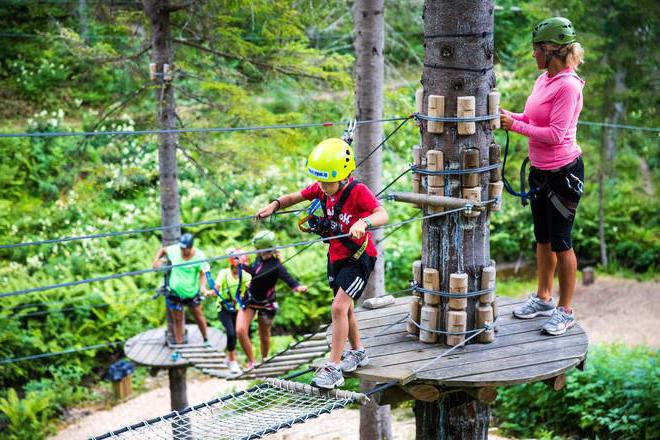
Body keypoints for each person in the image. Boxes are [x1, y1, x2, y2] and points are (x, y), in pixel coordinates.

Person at [256, 138, 388, 389]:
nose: (324, 187)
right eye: (322, 182)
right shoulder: (321, 188)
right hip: (336, 257)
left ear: (344, 176)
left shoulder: (358, 191)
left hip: (359, 258)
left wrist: (364, 223)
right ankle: (358, 352)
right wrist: (274, 205)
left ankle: (333, 367)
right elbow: (295, 197)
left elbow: (382, 213)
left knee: (338, 308)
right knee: (346, 308)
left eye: (329, 182)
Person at [500, 17, 586, 336]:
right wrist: (511, 117)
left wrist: (516, 127)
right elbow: (532, 117)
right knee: (543, 238)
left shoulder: (567, 85)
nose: (533, 55)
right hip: (540, 171)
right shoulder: (545, 79)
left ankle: (565, 310)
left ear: (550, 50)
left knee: (562, 242)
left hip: (563, 173)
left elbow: (554, 133)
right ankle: (544, 298)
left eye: (536, 49)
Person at [235, 230, 308, 370]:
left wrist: (298, 287)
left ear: (263, 248)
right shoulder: (259, 258)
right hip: (250, 300)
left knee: (264, 335)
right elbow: (254, 273)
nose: (255, 250)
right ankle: (252, 362)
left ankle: (264, 361)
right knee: (240, 330)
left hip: (266, 305)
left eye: (257, 248)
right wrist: (241, 265)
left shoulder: (276, 265)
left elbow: (288, 278)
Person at [152, 233, 211, 360]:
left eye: (185, 249)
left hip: (191, 293)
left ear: (191, 247)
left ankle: (206, 340)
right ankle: (179, 348)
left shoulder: (199, 256)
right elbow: (163, 250)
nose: (182, 251)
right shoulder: (175, 250)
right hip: (175, 293)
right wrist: (156, 260)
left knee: (198, 315)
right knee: (177, 320)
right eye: (181, 249)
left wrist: (202, 287)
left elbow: (203, 273)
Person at [204, 248, 251, 376]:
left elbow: (251, 287)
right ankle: (232, 360)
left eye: (241, 266)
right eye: (237, 266)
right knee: (231, 333)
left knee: (243, 333)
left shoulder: (246, 276)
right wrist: (209, 292)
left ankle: (246, 360)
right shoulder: (224, 273)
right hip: (224, 308)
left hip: (238, 309)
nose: (238, 269)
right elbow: (216, 288)